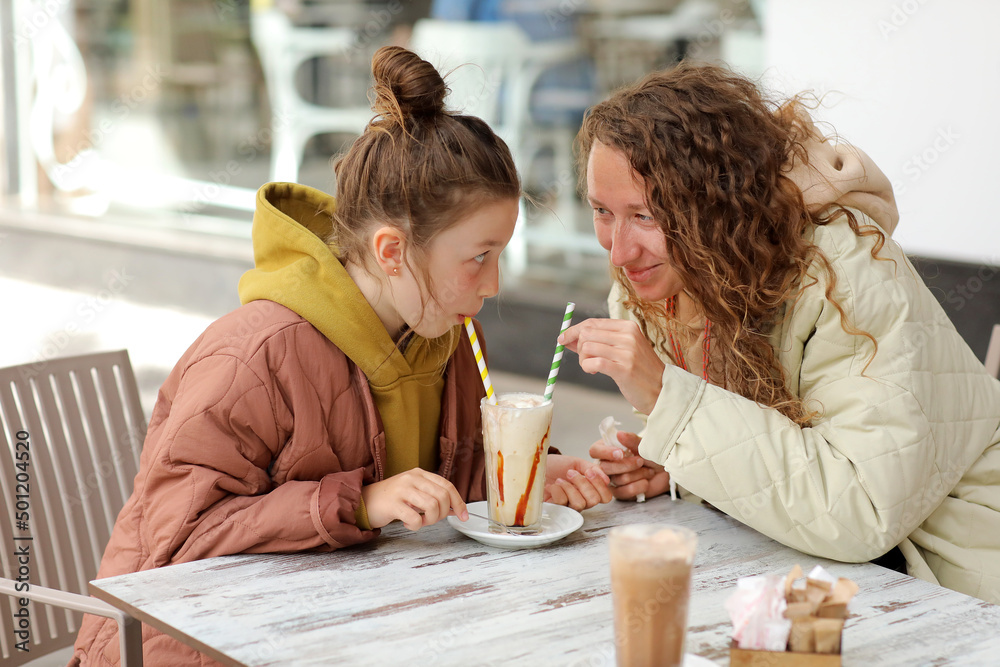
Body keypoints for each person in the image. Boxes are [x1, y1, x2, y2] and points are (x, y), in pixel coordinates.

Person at [72, 46, 612, 666]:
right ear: (391, 251)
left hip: (347, 633)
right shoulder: (252, 358)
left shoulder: (453, 339)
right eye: (478, 257)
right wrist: (359, 503)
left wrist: (534, 473)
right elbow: (179, 541)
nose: (493, 287)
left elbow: (443, 488)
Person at [560, 61, 1000, 603]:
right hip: (823, 568)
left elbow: (859, 510)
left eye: (646, 217)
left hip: (955, 576)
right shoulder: (655, 284)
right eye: (602, 211)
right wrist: (679, 471)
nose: (618, 250)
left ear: (717, 207)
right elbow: (774, 451)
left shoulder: (846, 273)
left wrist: (667, 399)